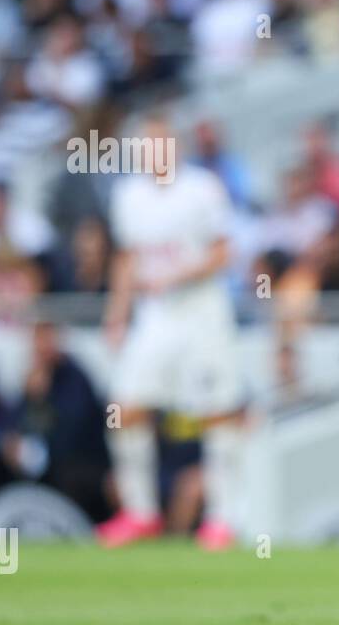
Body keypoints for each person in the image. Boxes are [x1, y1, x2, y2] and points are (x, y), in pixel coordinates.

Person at [97, 114, 249, 550]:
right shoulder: (128, 196)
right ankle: (140, 511)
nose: (152, 153)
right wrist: (117, 314)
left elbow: (224, 253)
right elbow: (126, 258)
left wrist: (178, 276)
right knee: (126, 406)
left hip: (202, 314)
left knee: (216, 412)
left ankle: (223, 519)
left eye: (160, 143)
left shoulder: (201, 190)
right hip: (155, 317)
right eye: (146, 145)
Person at [1, 321, 112, 523]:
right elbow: (14, 422)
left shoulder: (75, 376)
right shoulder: (31, 380)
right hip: (39, 459)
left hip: (80, 461)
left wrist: (43, 398)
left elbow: (76, 428)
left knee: (68, 474)